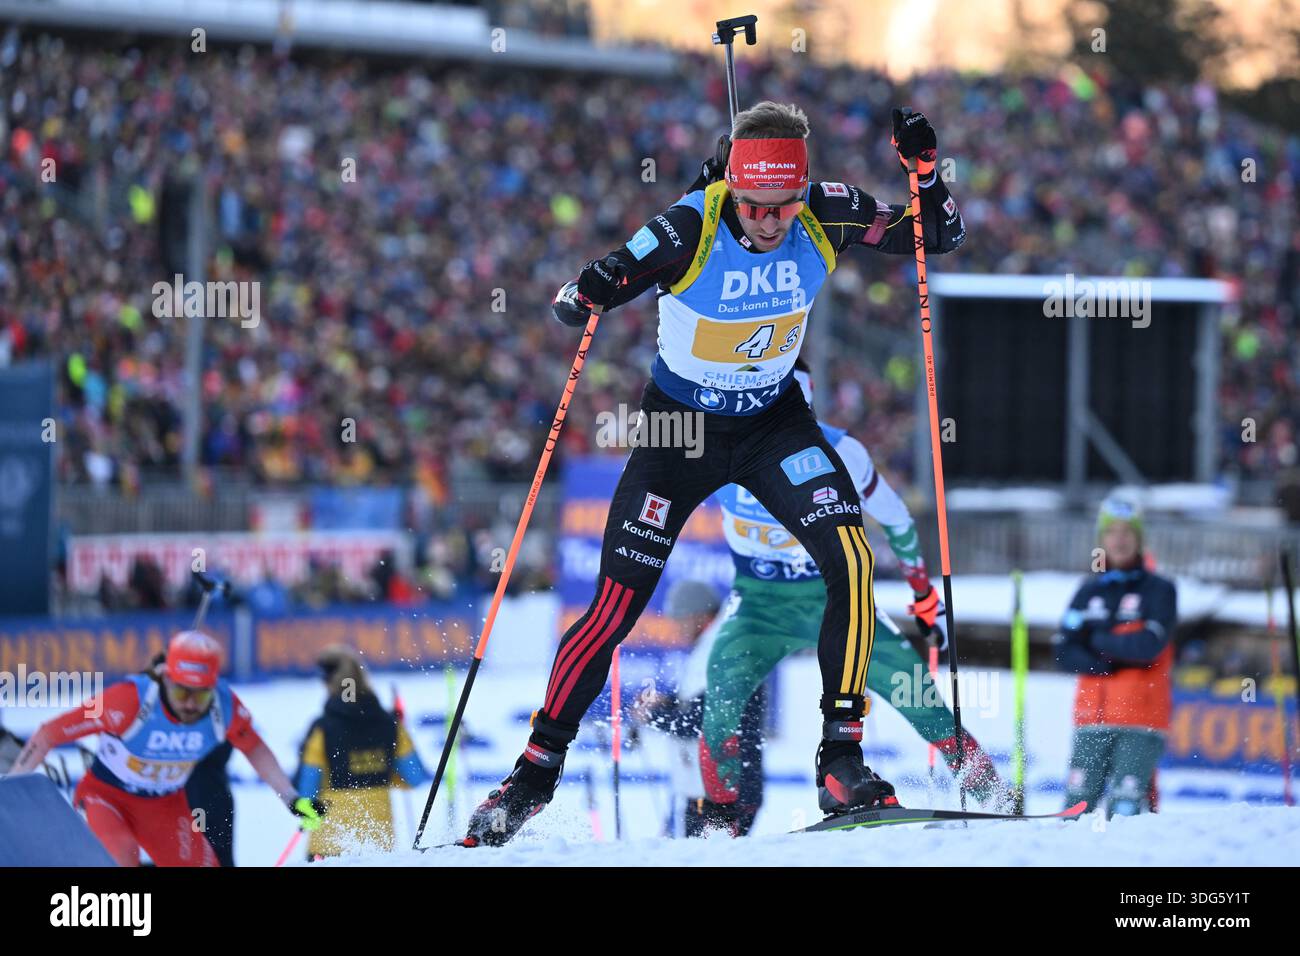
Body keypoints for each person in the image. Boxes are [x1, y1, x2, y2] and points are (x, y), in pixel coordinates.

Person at [466, 101, 967, 845]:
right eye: (756, 206)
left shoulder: (827, 213)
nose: (770, 223)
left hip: (772, 424)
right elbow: (586, 291)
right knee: (615, 609)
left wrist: (926, 173)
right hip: (682, 432)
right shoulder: (690, 225)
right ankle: (534, 772)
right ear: (732, 188)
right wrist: (590, 290)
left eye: (783, 207)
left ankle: (841, 758)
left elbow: (936, 236)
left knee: (853, 561)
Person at [693, 359, 1003, 828]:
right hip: (760, 603)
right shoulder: (719, 444)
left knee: (922, 700)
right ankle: (721, 825)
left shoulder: (842, 451)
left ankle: (998, 800)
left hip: (835, 597)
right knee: (720, 705)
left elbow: (896, 518)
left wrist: (923, 595)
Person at [8, 631, 324, 866]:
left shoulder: (223, 707)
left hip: (165, 805)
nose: (189, 703)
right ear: (165, 677)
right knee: (121, 857)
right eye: (181, 691)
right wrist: (8, 788)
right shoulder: (127, 701)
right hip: (106, 797)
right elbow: (49, 733)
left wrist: (293, 798)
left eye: (199, 696)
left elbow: (254, 748)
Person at [1052, 492, 1177, 817]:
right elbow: (1063, 651)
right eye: (1112, 531)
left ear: (1139, 538)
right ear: (1101, 539)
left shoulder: (1159, 590)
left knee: (1125, 811)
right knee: (1074, 812)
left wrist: (1096, 639)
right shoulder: (1088, 590)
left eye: (1127, 531)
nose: (1119, 539)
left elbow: (1148, 647)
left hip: (1140, 722)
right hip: (1090, 720)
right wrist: (1106, 658)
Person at [295, 645, 430, 857]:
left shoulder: (322, 729)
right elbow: (415, 777)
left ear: (329, 682)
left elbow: (306, 792)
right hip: (377, 847)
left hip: (329, 845)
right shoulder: (391, 725)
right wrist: (382, 770)